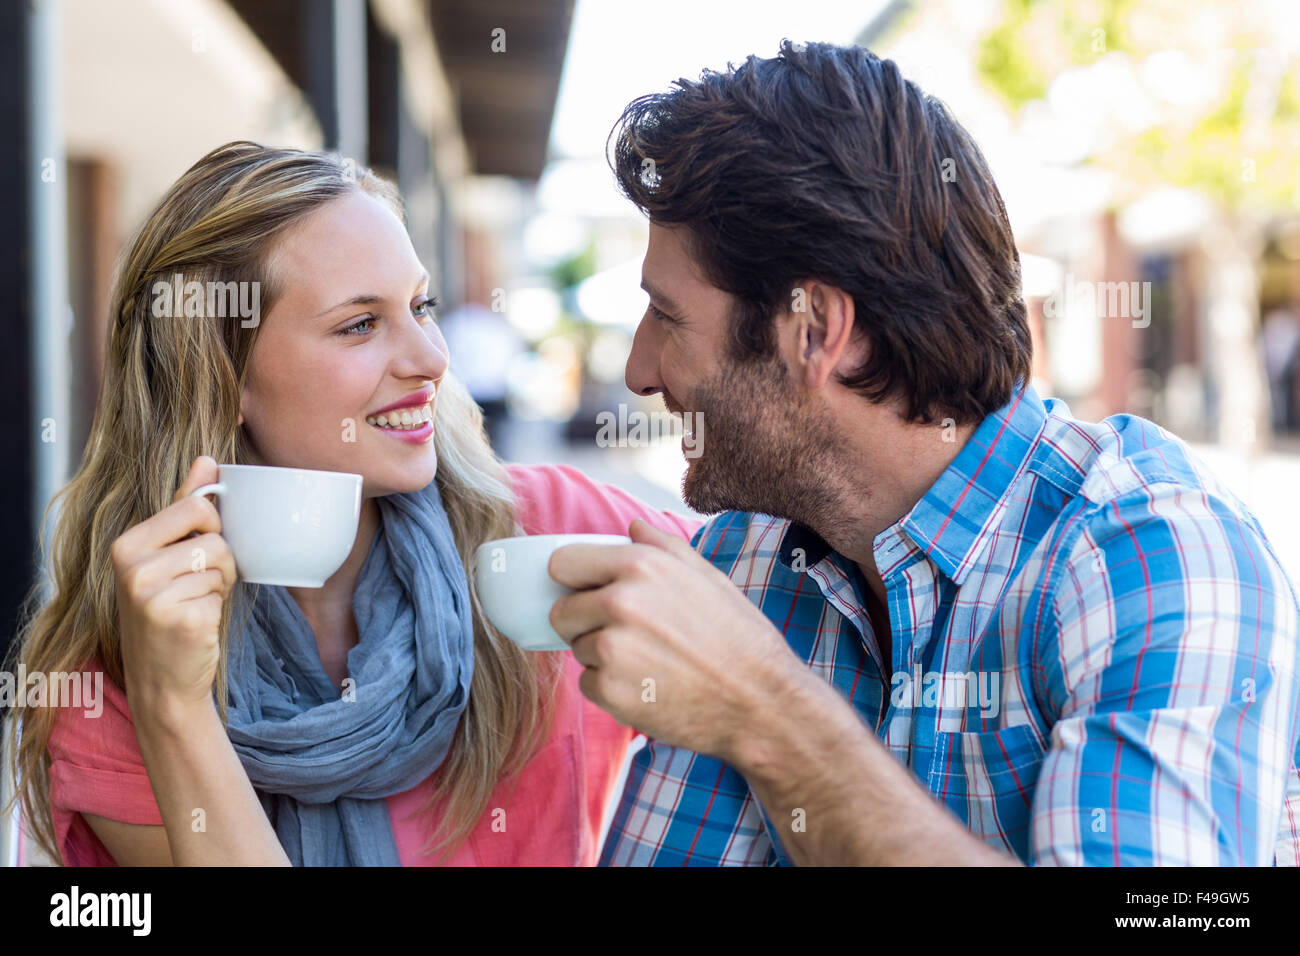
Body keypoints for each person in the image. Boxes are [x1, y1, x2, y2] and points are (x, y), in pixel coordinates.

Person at [544, 41, 1300, 866]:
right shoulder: (746, 560)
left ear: (814, 330)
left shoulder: (1153, 553)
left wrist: (766, 710)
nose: (638, 370)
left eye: (666, 315)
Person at [1, 141, 702, 866]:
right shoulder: (121, 671)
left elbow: (784, 614)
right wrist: (174, 710)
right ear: (219, 371)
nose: (432, 358)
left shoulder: (547, 530)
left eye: (419, 306)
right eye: (360, 325)